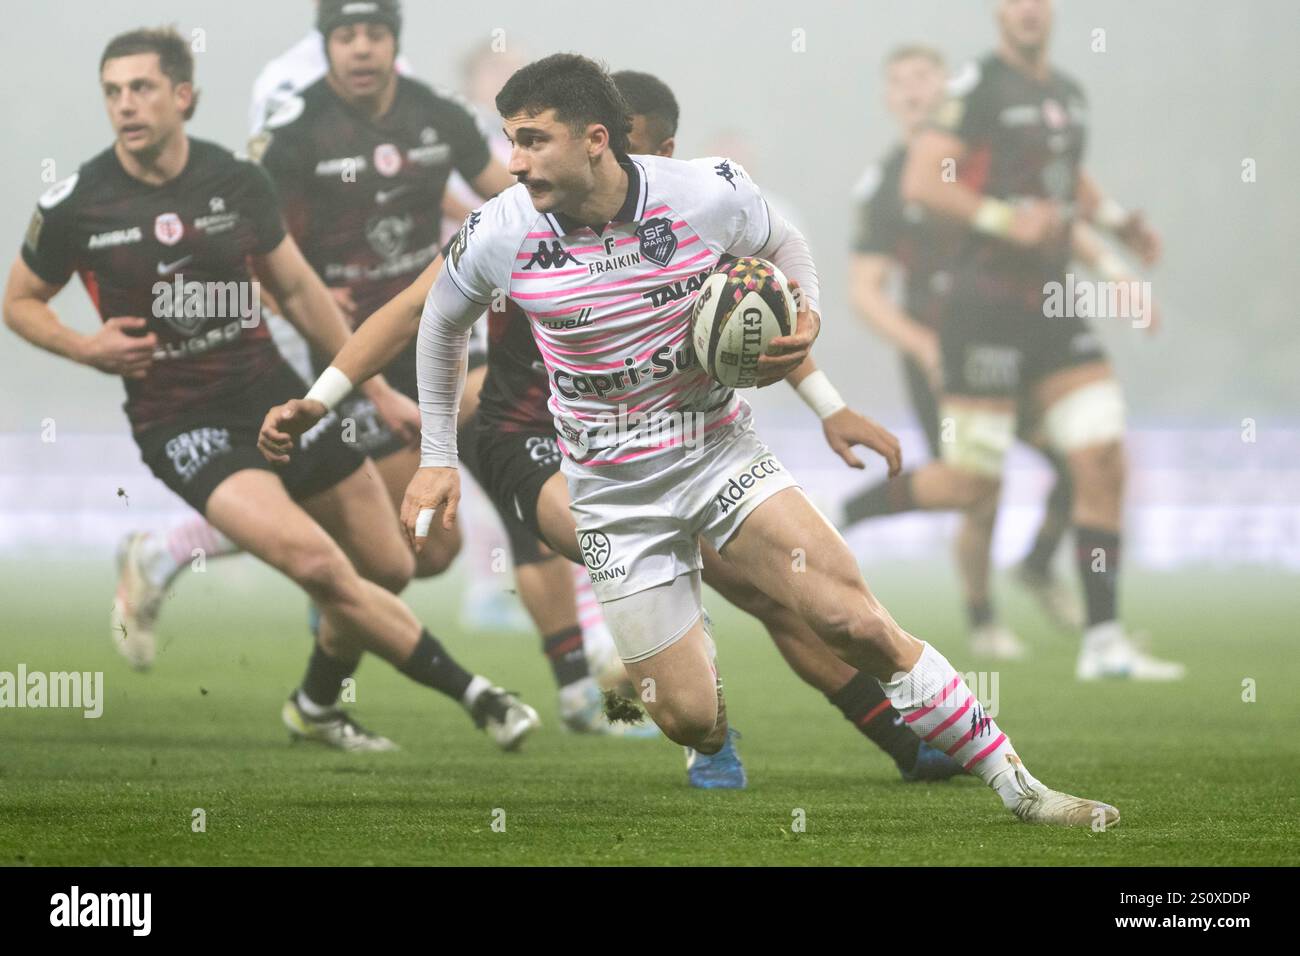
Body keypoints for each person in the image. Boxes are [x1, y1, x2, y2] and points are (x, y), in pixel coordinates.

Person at [267, 53, 1119, 824]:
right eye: (510, 142)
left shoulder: (706, 192)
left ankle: (1020, 788)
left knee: (844, 615)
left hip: (719, 457)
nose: (514, 161)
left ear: (600, 141)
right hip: (603, 489)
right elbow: (437, 322)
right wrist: (435, 459)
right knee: (684, 713)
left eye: (531, 141)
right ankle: (698, 710)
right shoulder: (505, 228)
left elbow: (783, 247)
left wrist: (812, 332)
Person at [3, 25, 538, 753]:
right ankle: (478, 696)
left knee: (389, 565)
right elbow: (20, 300)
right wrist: (83, 346)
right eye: (113, 92)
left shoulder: (234, 182)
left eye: (142, 88)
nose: (126, 105)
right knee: (320, 564)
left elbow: (299, 288)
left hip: (272, 394)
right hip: (180, 420)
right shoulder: (78, 202)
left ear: (183, 97)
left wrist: (374, 391)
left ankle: (315, 705)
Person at [849, 0, 1182, 680]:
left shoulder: (1064, 95)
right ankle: (845, 515)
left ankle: (1103, 638)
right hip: (975, 319)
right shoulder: (970, 99)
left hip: (1050, 309)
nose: (1027, 9)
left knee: (1101, 455)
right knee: (975, 485)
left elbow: (1063, 185)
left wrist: (1118, 238)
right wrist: (926, 337)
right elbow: (884, 256)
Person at [843, 44, 1095, 656]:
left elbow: (1056, 213)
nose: (913, 91)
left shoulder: (988, 161)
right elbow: (865, 291)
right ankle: (979, 616)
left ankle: (1035, 564)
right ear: (887, 97)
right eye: (899, 81)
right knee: (975, 489)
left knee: (1079, 459)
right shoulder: (885, 184)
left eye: (925, 77)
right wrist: (923, 344)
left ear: (947, 88)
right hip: (942, 352)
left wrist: (1109, 266)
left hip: (1012, 335)